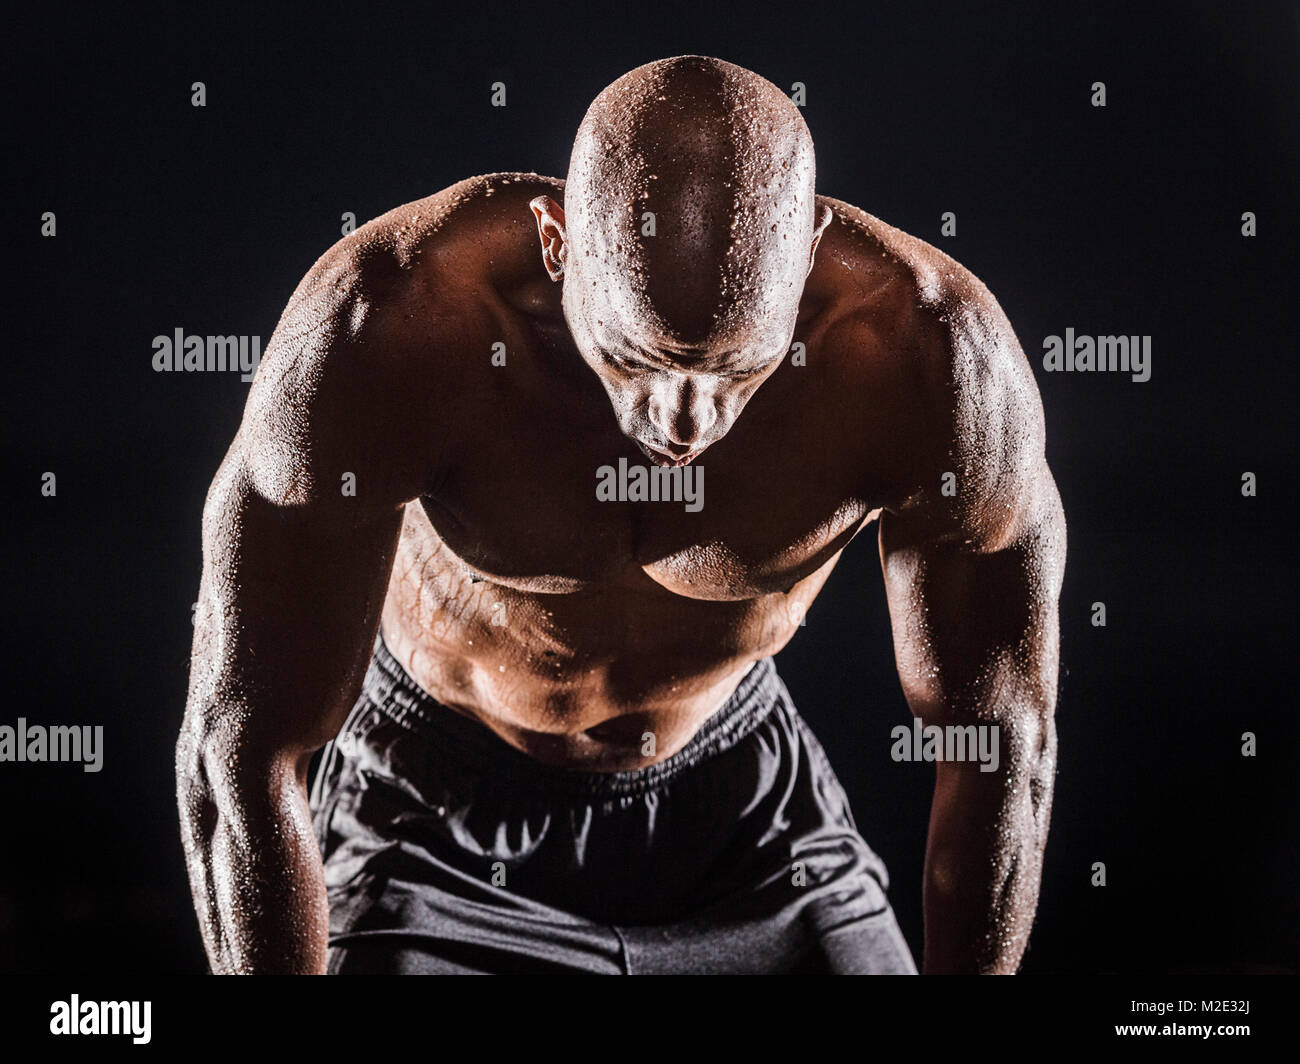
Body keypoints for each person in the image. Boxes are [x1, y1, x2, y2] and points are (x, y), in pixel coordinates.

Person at [176, 54, 1066, 974]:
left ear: (802, 257)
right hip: (432, 813)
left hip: (748, 819)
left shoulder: (932, 364)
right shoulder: (390, 329)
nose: (685, 421)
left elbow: (1003, 745)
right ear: (558, 240)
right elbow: (238, 749)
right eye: (637, 357)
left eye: (735, 367)